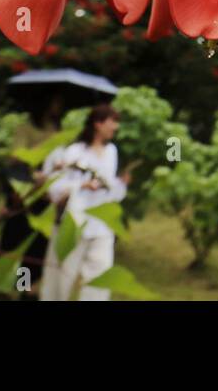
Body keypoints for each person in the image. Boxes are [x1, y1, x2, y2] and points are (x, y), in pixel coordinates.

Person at [36, 105, 130, 301]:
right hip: (74, 223)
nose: (116, 126)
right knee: (63, 273)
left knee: (100, 274)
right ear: (98, 124)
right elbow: (55, 188)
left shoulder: (111, 151)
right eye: (112, 121)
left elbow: (110, 188)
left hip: (101, 225)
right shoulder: (74, 152)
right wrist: (82, 185)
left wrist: (120, 184)